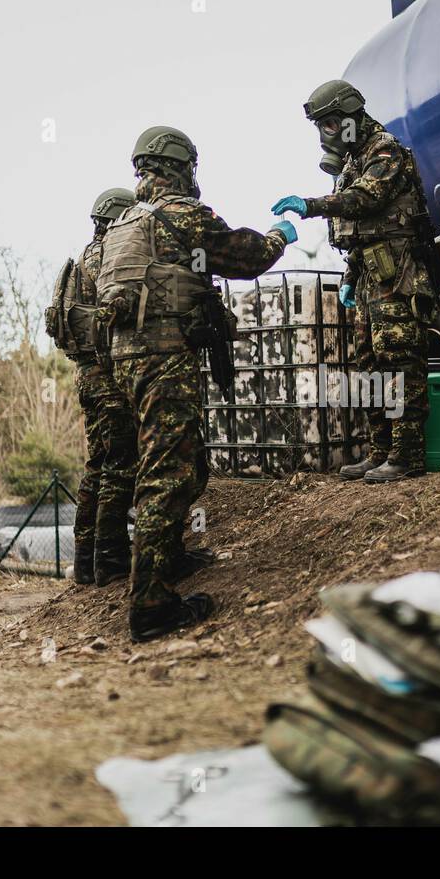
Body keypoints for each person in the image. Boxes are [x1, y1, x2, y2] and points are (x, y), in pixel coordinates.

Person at [97, 125, 295, 641]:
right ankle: (151, 608)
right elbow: (247, 256)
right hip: (164, 357)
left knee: (177, 462)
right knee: (167, 473)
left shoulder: (121, 223)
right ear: (179, 166)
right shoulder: (180, 213)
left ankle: (169, 559)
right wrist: (279, 237)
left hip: (126, 360)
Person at [271, 79, 433, 483]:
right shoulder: (352, 162)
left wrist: (311, 205)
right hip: (369, 277)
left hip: (399, 273)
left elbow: (364, 200)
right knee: (369, 365)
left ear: (350, 117)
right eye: (321, 126)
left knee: (400, 361)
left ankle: (407, 454)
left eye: (329, 124)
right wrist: (350, 277)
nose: (325, 134)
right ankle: (379, 451)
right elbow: (361, 234)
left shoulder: (385, 151)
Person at [46, 188, 138, 586]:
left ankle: (85, 559)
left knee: (98, 466)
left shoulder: (85, 255)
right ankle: (111, 559)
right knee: (120, 464)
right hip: (107, 376)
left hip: (87, 375)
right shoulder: (108, 256)